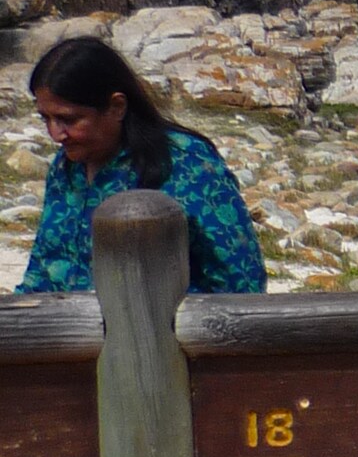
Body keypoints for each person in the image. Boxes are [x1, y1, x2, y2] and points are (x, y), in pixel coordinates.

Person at [17, 36, 266, 295]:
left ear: (117, 107)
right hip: (65, 329)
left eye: (68, 119)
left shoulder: (188, 165)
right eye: (45, 118)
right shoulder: (65, 168)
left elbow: (240, 281)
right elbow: (43, 267)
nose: (55, 134)